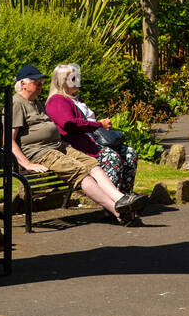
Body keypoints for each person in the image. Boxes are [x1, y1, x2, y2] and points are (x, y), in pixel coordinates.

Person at [9, 64, 147, 225]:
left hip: (59, 146)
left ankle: (122, 199)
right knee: (79, 171)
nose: (40, 85)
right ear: (23, 84)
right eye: (36, 82)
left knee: (92, 164)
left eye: (41, 82)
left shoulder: (36, 103)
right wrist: (27, 164)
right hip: (41, 152)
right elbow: (8, 139)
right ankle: (117, 210)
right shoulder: (17, 103)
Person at [45, 64, 138, 195]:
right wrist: (99, 125)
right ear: (61, 81)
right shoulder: (57, 101)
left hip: (93, 141)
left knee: (129, 154)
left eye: (77, 77)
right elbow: (69, 124)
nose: (77, 80)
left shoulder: (76, 99)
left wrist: (100, 124)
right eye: (73, 78)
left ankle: (127, 196)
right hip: (77, 146)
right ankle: (114, 202)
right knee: (111, 158)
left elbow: (85, 121)